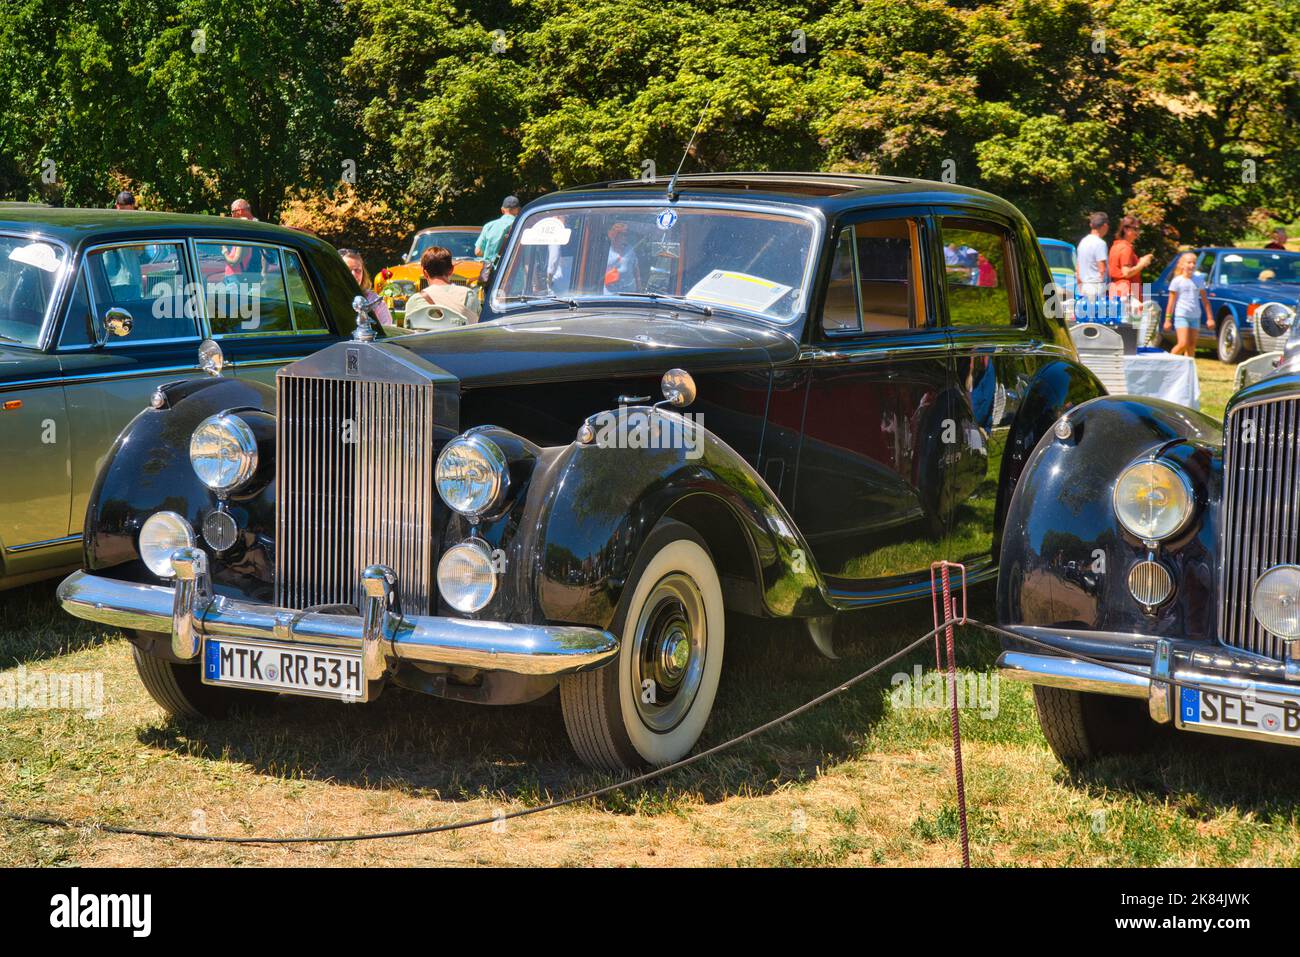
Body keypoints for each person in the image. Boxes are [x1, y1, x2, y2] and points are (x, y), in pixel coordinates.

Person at [403, 246, 480, 328]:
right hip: (461, 340)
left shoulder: (415, 301)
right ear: (451, 270)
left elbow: (408, 332)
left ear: (425, 273)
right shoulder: (469, 295)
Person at [1163, 251, 1215, 356]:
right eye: (1189, 262)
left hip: (1195, 316)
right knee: (1183, 343)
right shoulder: (1177, 281)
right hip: (1182, 315)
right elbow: (1171, 303)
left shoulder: (1199, 280)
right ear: (1182, 264)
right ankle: (1168, 361)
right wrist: (1167, 320)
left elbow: (1205, 301)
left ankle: (1188, 370)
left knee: (1191, 345)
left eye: (1194, 263)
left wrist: (1210, 318)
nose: (1192, 265)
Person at [1107, 215, 1153, 305]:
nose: (1137, 232)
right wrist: (1142, 264)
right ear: (1125, 229)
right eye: (1135, 229)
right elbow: (1126, 273)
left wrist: (1139, 262)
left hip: (1115, 290)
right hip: (1127, 291)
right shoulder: (1126, 248)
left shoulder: (1115, 246)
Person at [339, 248, 392, 327]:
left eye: (358, 270)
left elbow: (386, 330)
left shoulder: (374, 300)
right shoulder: (324, 296)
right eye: (347, 270)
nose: (353, 274)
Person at [222, 199, 265, 278]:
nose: (231, 215)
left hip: (243, 273)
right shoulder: (258, 225)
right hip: (254, 272)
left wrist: (224, 250)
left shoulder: (246, 226)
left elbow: (235, 260)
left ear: (240, 211)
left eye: (232, 212)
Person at [474, 195, 520, 266]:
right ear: (519, 210)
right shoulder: (521, 225)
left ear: (502, 210)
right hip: (512, 272)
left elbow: (478, 252)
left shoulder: (489, 226)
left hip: (491, 271)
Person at [1076, 212, 1109, 305]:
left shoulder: (1083, 242)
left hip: (1083, 287)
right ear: (1105, 225)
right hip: (1096, 287)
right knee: (1096, 317)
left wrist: (1080, 286)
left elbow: (1078, 268)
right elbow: (1102, 269)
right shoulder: (1100, 243)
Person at [603, 222, 638, 294]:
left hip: (628, 293)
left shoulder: (629, 250)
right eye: (623, 235)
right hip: (609, 294)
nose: (626, 237)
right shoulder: (605, 250)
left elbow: (636, 270)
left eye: (627, 235)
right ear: (615, 235)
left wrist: (639, 289)